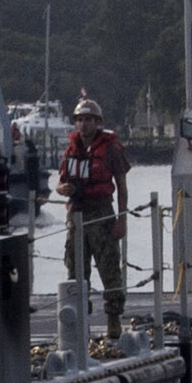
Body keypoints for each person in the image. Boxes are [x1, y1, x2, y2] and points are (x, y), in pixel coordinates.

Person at [57, 98, 132, 311]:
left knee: (109, 267)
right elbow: (60, 183)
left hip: (101, 214)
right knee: (75, 269)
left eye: (88, 119)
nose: (84, 124)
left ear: (97, 122)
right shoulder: (70, 149)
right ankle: (80, 318)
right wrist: (61, 189)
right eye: (80, 120)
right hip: (76, 215)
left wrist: (122, 219)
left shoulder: (111, 149)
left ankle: (114, 317)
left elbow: (122, 186)